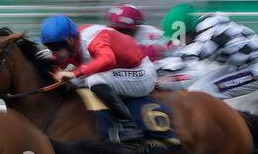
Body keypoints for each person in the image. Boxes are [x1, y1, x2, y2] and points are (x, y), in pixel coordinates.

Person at [39, 14, 171, 146]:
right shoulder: (72, 43)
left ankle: (130, 127)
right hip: (120, 71)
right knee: (76, 83)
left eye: (56, 49)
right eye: (50, 49)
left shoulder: (91, 39)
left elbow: (108, 58)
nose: (53, 54)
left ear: (70, 41)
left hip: (142, 74)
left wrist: (74, 73)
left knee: (94, 80)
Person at [160, 3, 258, 103]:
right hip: (238, 67)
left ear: (188, 32)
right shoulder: (202, 26)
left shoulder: (211, 32)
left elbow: (190, 57)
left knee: (201, 94)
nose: (178, 42)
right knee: (194, 90)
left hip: (256, 70)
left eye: (179, 38)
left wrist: (156, 71)